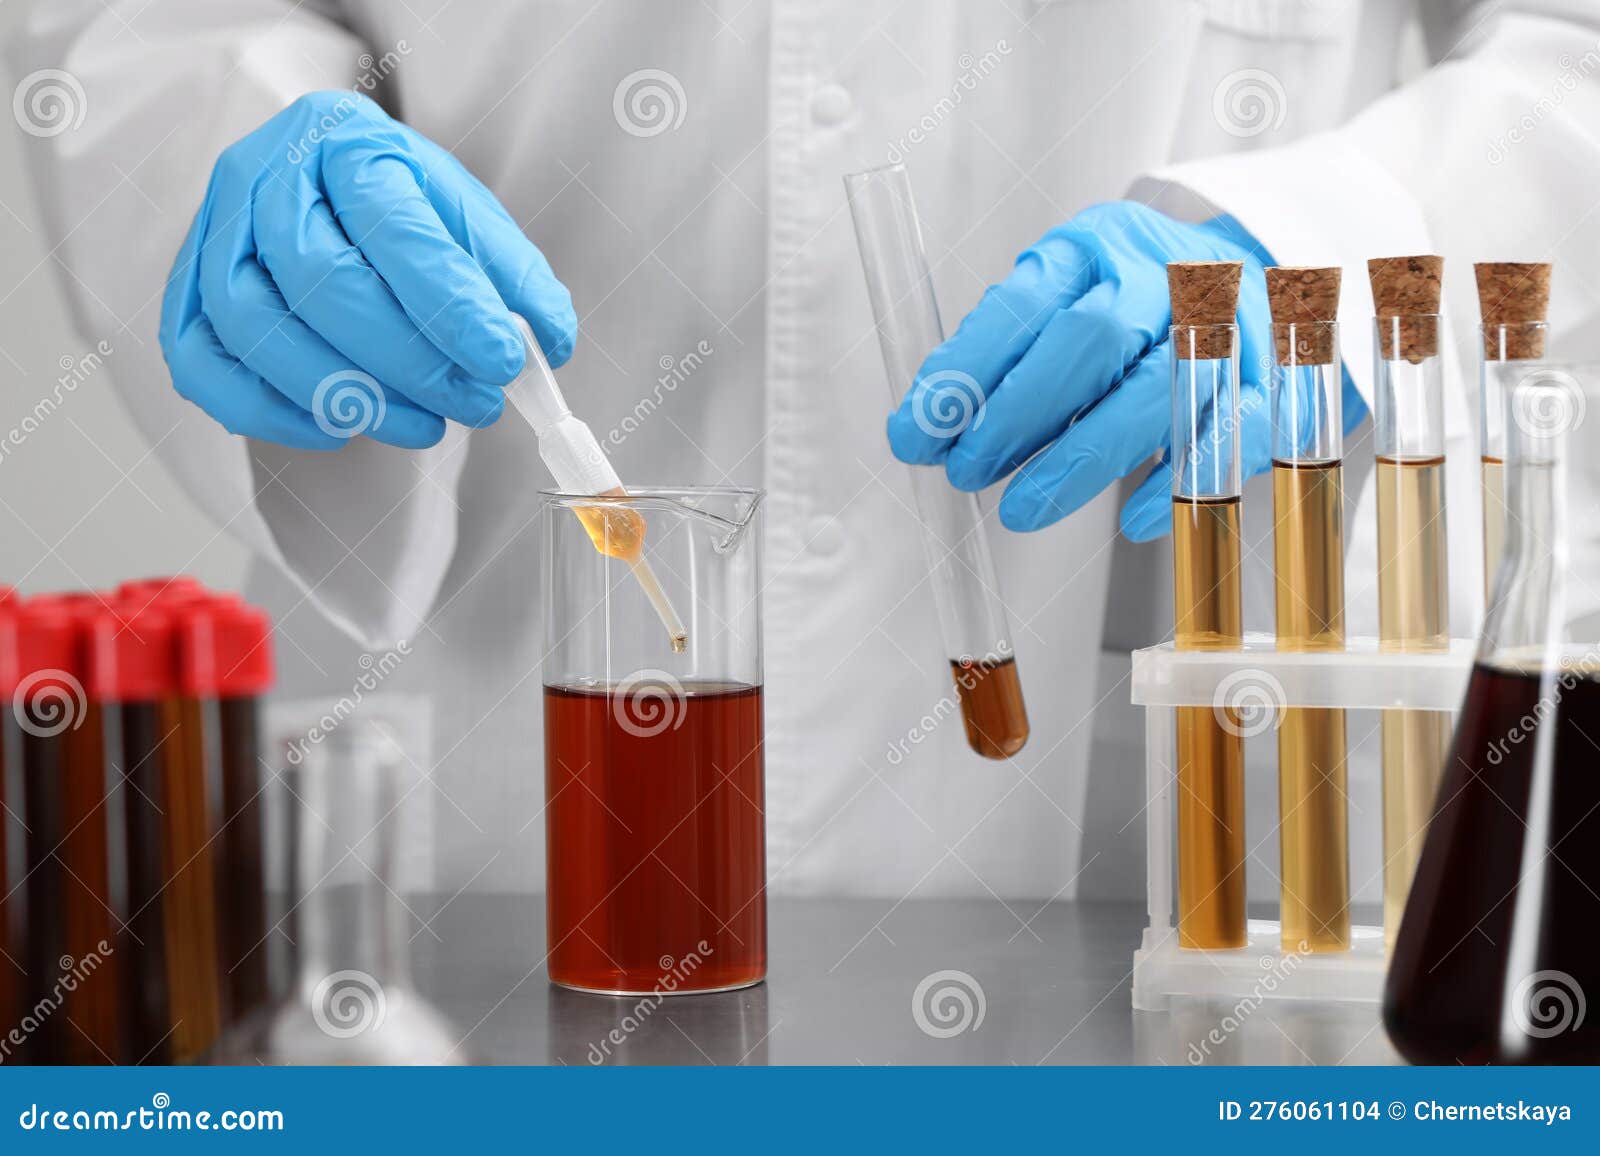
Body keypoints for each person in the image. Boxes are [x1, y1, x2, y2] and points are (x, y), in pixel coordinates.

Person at [10, 1, 1598, 906]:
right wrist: (240, 135)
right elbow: (142, 26)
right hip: (485, 774)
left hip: (1197, 793)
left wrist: (1331, 246)